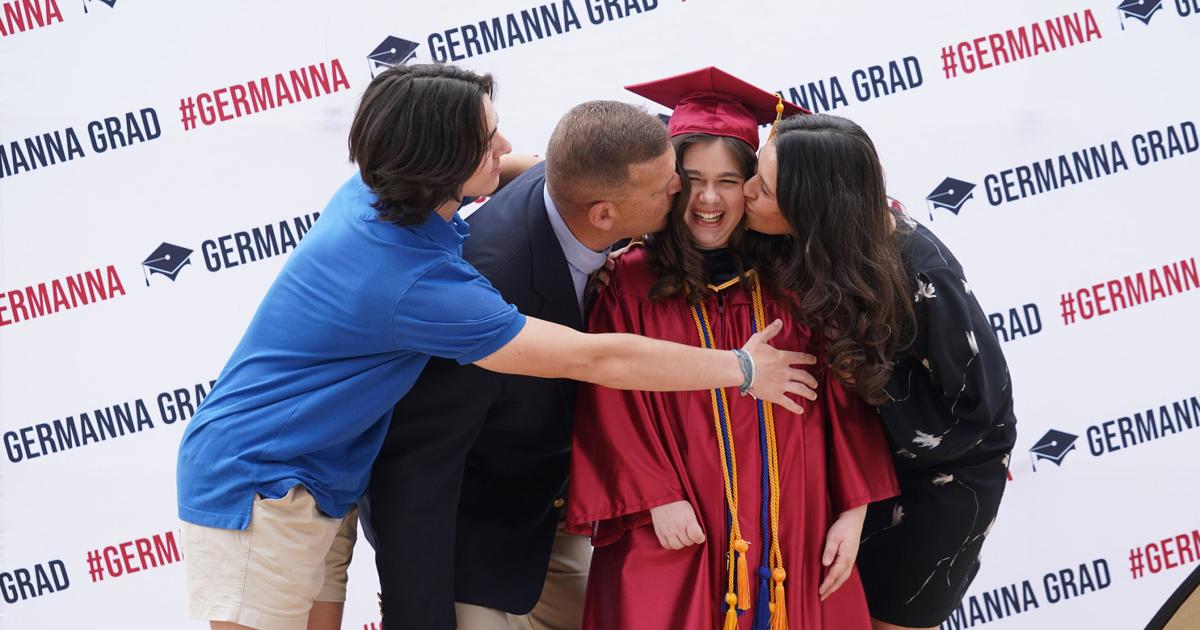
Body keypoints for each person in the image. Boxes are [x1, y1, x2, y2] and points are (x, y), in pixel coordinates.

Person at [175, 64, 817, 630]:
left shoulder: (386, 190)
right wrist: (740, 368)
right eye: (488, 141)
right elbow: (591, 358)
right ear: (445, 164)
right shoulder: (425, 285)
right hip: (264, 481)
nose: (505, 148)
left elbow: (533, 169)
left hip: (331, 474)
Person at [363, 99, 821, 630]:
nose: (688, 194)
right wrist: (416, 614)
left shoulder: (580, 183)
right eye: (672, 185)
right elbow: (417, 462)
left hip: (551, 512)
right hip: (472, 535)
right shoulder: (491, 284)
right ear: (605, 214)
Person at [566, 67, 900, 630]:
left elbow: (843, 399)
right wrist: (655, 496)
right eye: (692, 178)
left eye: (728, 180)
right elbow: (608, 394)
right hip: (677, 522)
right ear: (669, 182)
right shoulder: (627, 284)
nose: (708, 199)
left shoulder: (793, 283)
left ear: (754, 186)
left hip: (794, 518)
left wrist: (854, 508)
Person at [742, 113, 1017, 630]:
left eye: (767, 188)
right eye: (755, 173)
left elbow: (981, 406)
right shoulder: (803, 241)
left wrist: (875, 454)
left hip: (942, 482)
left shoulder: (917, 269)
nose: (748, 192)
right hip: (857, 473)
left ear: (812, 207)